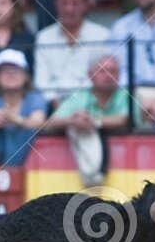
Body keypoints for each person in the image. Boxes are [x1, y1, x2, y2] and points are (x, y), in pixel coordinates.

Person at [44, 52, 135, 185]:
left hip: (129, 171)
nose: (108, 76)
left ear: (119, 75)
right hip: (103, 176)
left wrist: (92, 121)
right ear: (90, 75)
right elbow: (52, 122)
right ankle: (92, 175)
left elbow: (124, 120)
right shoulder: (79, 96)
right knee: (77, 128)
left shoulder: (127, 95)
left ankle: (92, 174)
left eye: (113, 71)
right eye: (102, 71)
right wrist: (73, 121)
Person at [34, 0, 111, 107]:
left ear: (85, 5)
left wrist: (79, 103)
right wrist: (55, 102)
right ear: (56, 4)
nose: (69, 9)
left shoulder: (102, 35)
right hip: (53, 105)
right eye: (64, 3)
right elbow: (41, 81)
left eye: (75, 3)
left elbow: (102, 79)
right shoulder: (44, 37)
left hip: (91, 104)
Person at [0, 48, 47, 165]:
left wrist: (14, 119)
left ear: (25, 75)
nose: (11, 74)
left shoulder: (35, 96)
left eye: (16, 70)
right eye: (5, 70)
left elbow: (38, 122)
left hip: (29, 162)